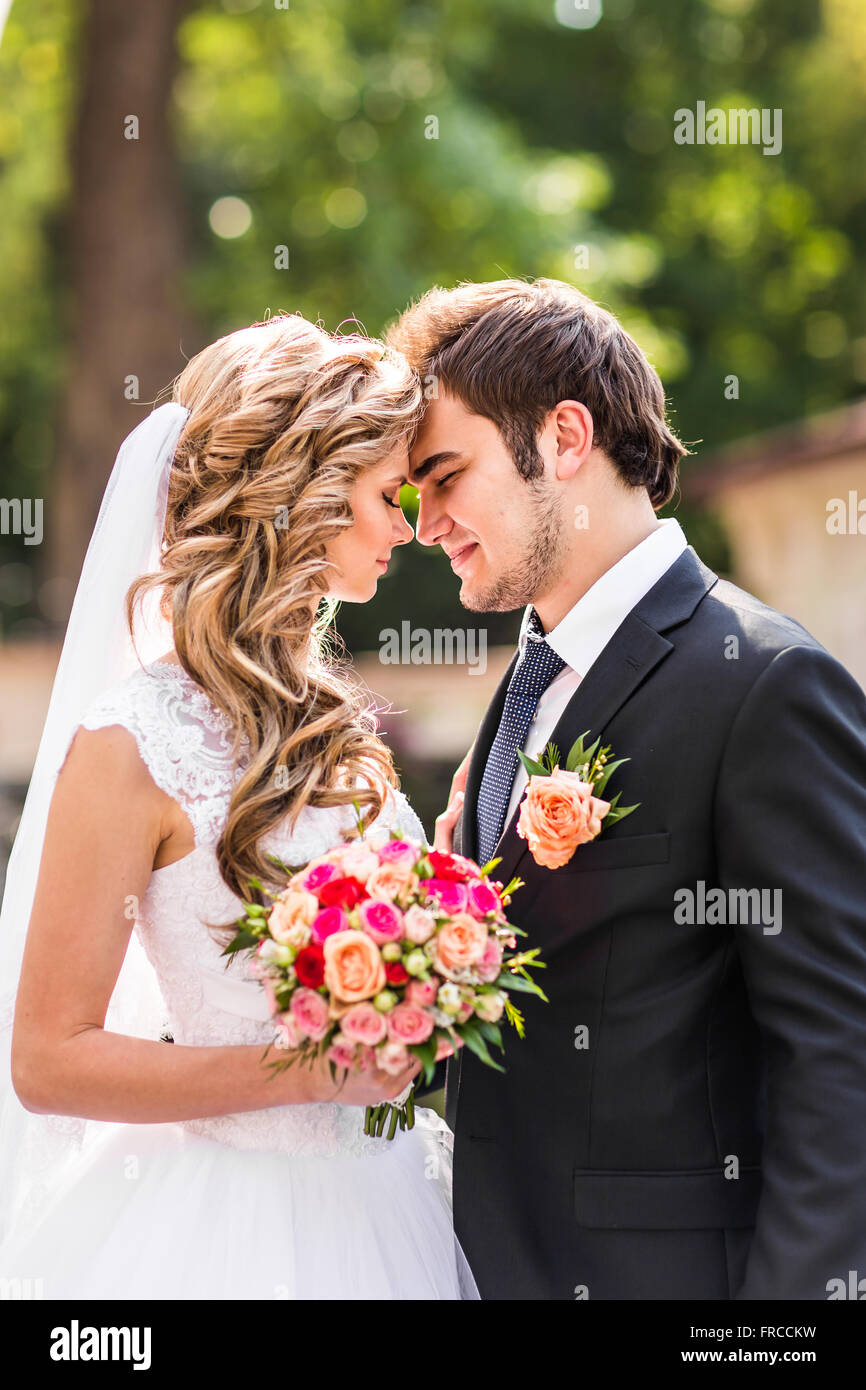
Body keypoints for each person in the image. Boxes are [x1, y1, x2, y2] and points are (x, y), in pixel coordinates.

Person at [388, 276, 866, 1300]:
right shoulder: (521, 687)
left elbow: (839, 1059)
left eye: (444, 474)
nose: (424, 522)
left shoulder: (763, 684)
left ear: (564, 438)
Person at [0, 314, 479, 1300]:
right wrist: (304, 1073)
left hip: (385, 1203)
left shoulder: (335, 727)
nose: (406, 523)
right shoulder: (131, 742)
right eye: (386, 491)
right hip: (219, 1236)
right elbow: (49, 1060)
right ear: (300, 491)